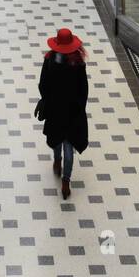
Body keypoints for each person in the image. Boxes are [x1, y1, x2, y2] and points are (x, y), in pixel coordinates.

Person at [35, 28, 89, 199]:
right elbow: (83, 89)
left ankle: (57, 161)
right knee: (69, 145)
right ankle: (66, 181)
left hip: (55, 110)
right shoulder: (78, 63)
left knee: (56, 138)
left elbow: (43, 84)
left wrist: (46, 99)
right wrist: (80, 107)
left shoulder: (50, 60)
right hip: (73, 113)